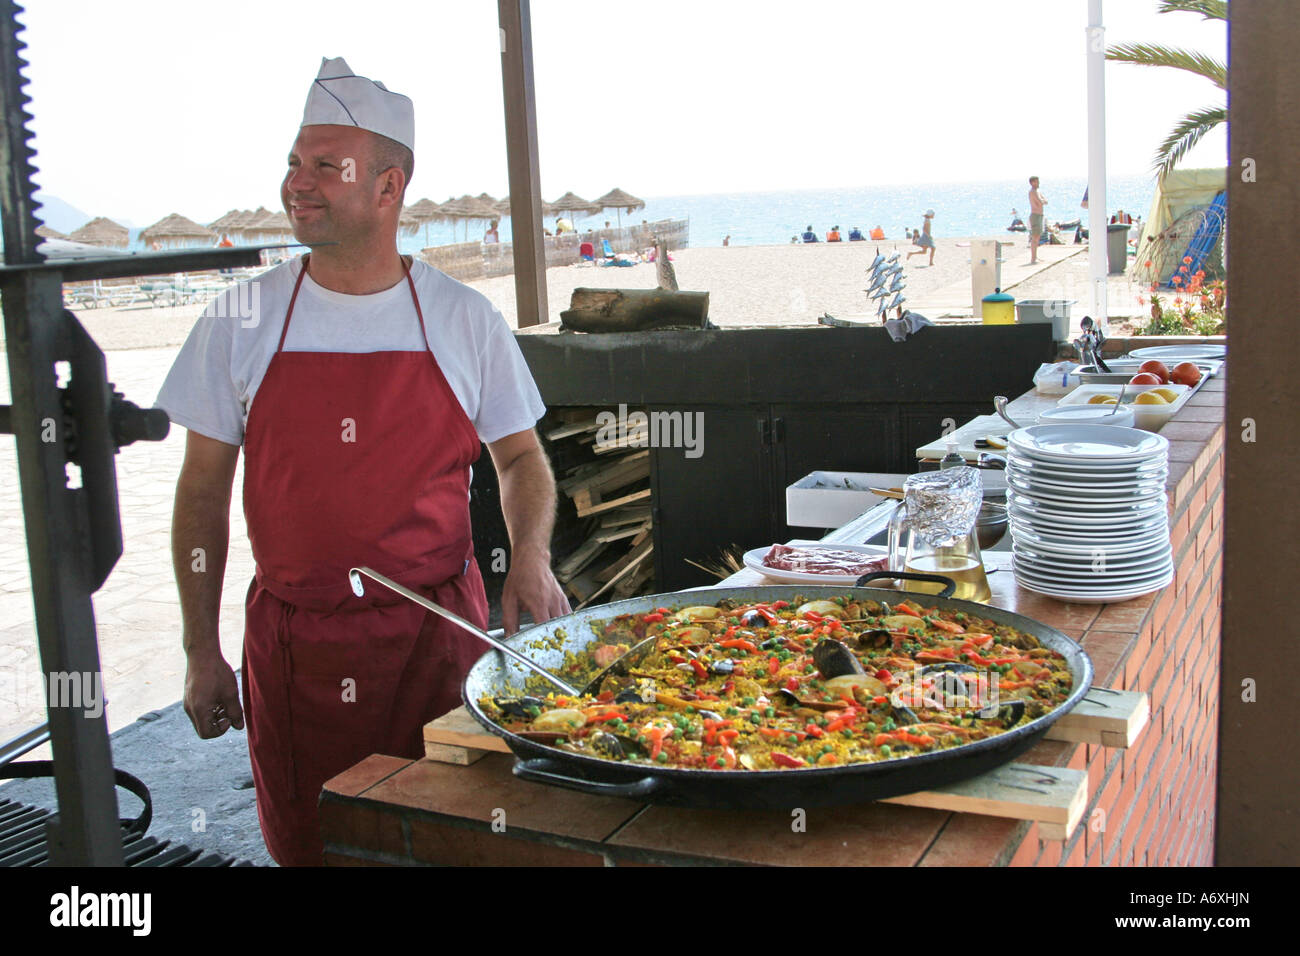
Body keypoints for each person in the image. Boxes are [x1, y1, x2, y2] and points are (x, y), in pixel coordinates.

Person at [155, 57, 569, 867]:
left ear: (389, 188)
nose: (296, 184)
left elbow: (521, 458)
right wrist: (200, 649)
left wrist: (530, 557)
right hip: (294, 651)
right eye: (294, 162)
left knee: (448, 847)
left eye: (324, 166)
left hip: (437, 638)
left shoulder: (462, 317)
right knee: (316, 850)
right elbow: (202, 490)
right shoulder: (241, 316)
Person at [1028, 176, 1047, 264]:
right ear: (1032, 182)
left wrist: (1043, 201)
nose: (1038, 183)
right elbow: (1040, 202)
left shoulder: (1037, 191)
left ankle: (1035, 256)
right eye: (1037, 182)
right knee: (1034, 237)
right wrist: (1043, 201)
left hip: (1039, 215)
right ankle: (1033, 258)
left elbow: (1045, 200)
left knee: (1038, 237)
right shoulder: (1032, 192)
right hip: (1035, 215)